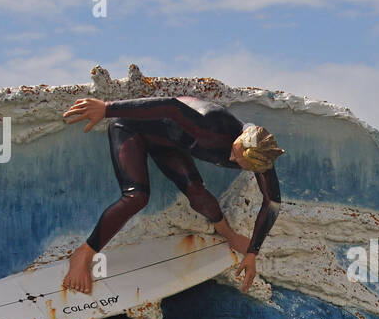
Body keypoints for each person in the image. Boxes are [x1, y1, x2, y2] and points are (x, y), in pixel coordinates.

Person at [60, 95, 283, 294]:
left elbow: (272, 202)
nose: (233, 160)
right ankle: (84, 254)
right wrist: (107, 108)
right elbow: (170, 107)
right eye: (235, 153)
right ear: (241, 139)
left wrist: (253, 252)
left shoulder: (260, 156)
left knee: (198, 194)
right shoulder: (214, 122)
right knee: (136, 197)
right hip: (132, 129)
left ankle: (228, 234)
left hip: (168, 143)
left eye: (241, 164)